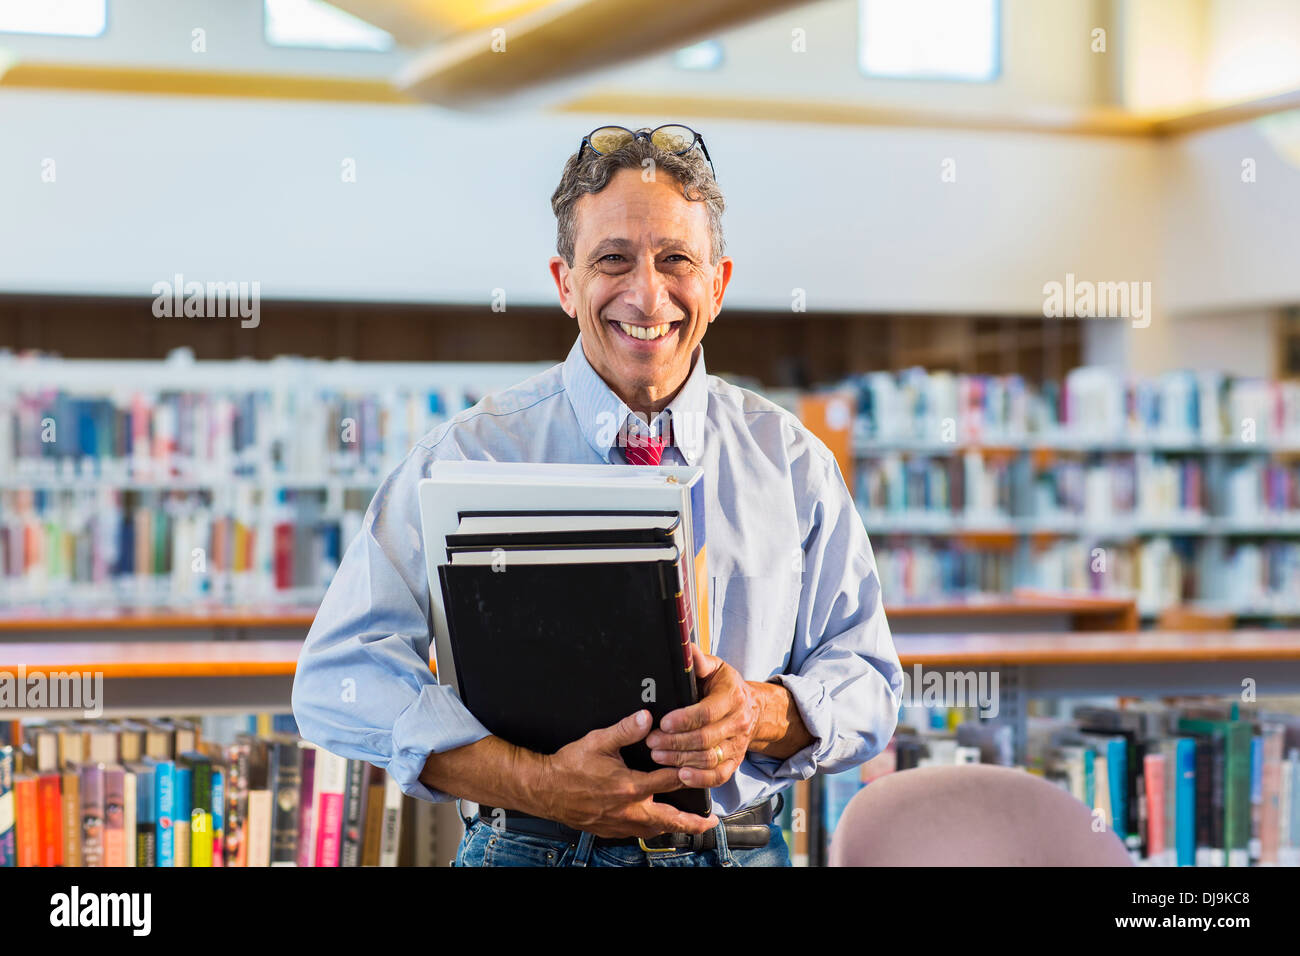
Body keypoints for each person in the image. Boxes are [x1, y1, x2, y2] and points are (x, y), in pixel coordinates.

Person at [292, 125, 902, 867]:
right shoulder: (467, 457)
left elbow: (868, 682)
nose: (647, 294)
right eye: (613, 259)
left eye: (676, 259)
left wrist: (761, 715)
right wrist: (535, 782)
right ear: (565, 283)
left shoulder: (795, 464)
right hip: (528, 847)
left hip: (739, 848)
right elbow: (338, 679)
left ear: (718, 282)